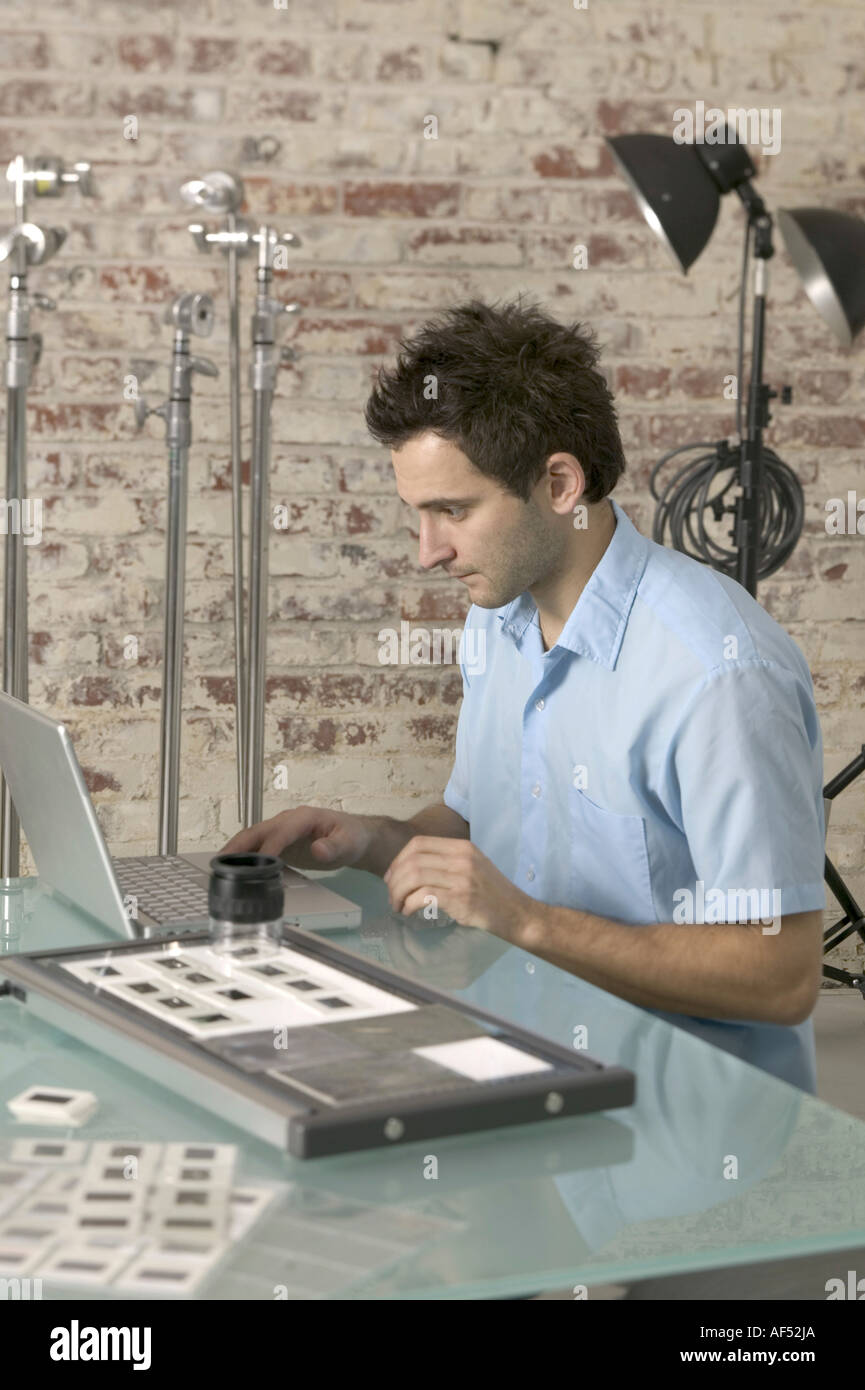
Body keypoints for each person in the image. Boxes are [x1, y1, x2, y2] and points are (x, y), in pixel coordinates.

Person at [221, 296, 827, 1092]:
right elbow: (484, 832)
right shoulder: (497, 619)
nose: (427, 553)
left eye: (452, 511)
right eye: (418, 514)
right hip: (518, 1058)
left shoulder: (716, 673)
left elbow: (780, 976)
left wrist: (527, 923)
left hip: (680, 1127)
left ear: (559, 483)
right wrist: (371, 842)